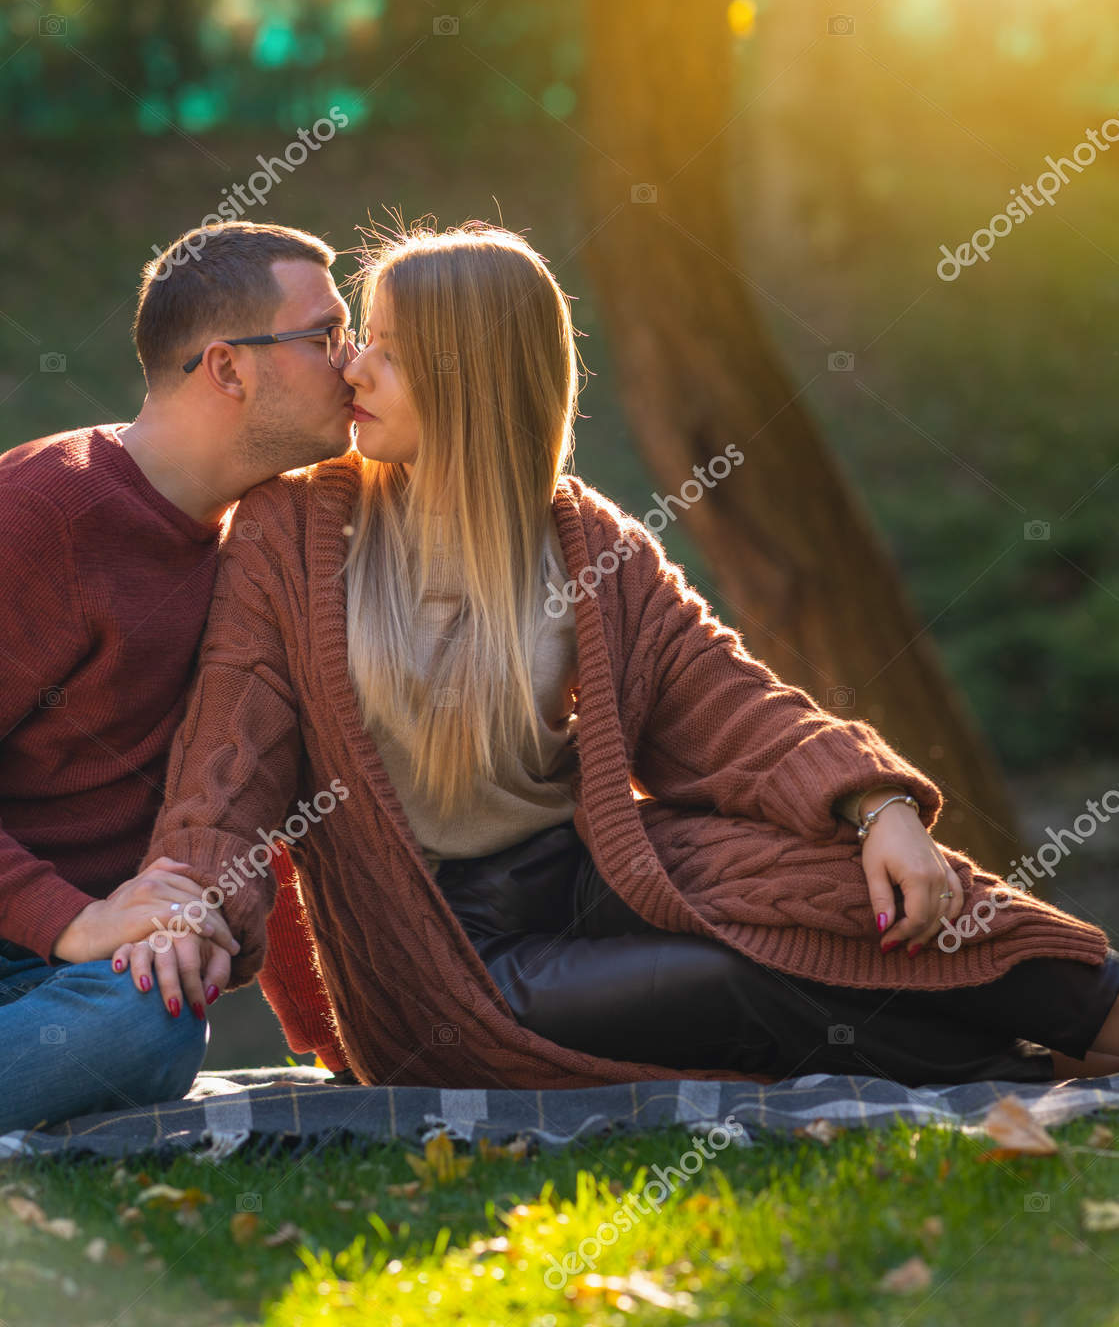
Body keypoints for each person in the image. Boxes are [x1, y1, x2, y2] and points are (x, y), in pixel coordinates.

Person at [122, 221, 1119, 1092]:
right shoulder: (289, 534)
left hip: (600, 871)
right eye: (357, 342)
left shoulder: (586, 542)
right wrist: (189, 902)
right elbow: (233, 756)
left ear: (470, 374)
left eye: (385, 348)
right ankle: (1016, 1070)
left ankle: (1096, 1013)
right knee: (739, 980)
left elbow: (732, 704)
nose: (352, 369)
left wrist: (878, 805)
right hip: (452, 957)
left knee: (849, 888)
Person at [0, 220, 358, 1133]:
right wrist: (70, 919)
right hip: (46, 936)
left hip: (73, 978)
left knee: (153, 1019)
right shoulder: (47, 511)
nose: (351, 364)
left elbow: (244, 778)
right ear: (228, 368)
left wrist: (335, 1038)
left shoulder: (266, 539)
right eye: (325, 336)